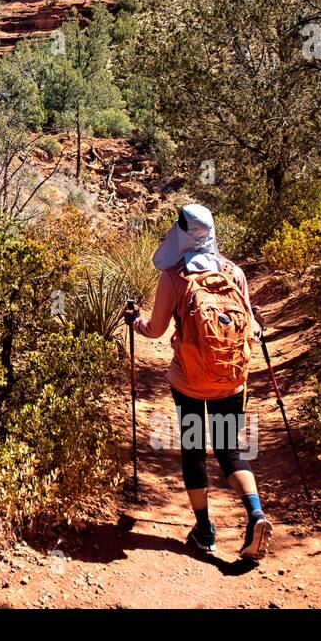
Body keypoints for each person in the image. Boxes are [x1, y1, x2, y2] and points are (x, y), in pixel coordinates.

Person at [127, 203, 271, 560]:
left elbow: (156, 330)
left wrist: (135, 322)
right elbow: (251, 326)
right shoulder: (234, 273)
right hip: (230, 379)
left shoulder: (174, 277)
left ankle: (204, 531)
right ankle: (256, 513)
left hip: (189, 381)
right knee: (230, 450)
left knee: (194, 450)